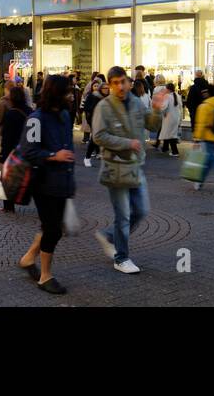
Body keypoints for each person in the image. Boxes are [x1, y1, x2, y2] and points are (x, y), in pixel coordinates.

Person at [91, 65, 166, 274]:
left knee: (141, 210)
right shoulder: (104, 107)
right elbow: (99, 136)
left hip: (136, 165)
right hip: (115, 167)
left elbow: (151, 126)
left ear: (128, 81)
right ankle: (121, 257)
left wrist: (157, 109)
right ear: (110, 85)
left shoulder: (135, 102)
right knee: (123, 215)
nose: (120, 86)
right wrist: (127, 143)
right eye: (115, 83)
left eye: (123, 81)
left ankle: (110, 236)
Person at [16, 74, 77, 294]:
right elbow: (28, 151)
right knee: (53, 230)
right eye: (67, 91)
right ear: (56, 93)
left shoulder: (64, 115)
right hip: (44, 183)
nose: (71, 95)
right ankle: (45, 276)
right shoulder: (36, 118)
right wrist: (54, 155)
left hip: (62, 181)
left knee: (51, 226)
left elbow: (67, 146)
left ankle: (28, 258)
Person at [0, 84, 30, 214]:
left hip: (12, 151)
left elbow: (6, 138)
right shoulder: (30, 111)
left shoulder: (11, 114)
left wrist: (2, 157)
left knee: (6, 178)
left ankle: (8, 206)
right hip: (27, 149)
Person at [81, 77, 103, 166]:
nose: (96, 87)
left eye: (98, 86)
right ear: (92, 87)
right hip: (92, 120)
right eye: (95, 86)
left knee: (97, 137)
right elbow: (86, 108)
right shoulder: (89, 96)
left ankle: (97, 153)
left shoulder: (102, 96)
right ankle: (89, 156)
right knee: (95, 137)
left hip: (101, 120)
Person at [156, 83, 183, 156]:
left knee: (170, 134)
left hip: (169, 118)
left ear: (168, 89)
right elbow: (181, 107)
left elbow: (164, 107)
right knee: (169, 132)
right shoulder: (177, 96)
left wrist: (160, 109)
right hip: (176, 117)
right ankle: (165, 148)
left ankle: (175, 152)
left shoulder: (167, 96)